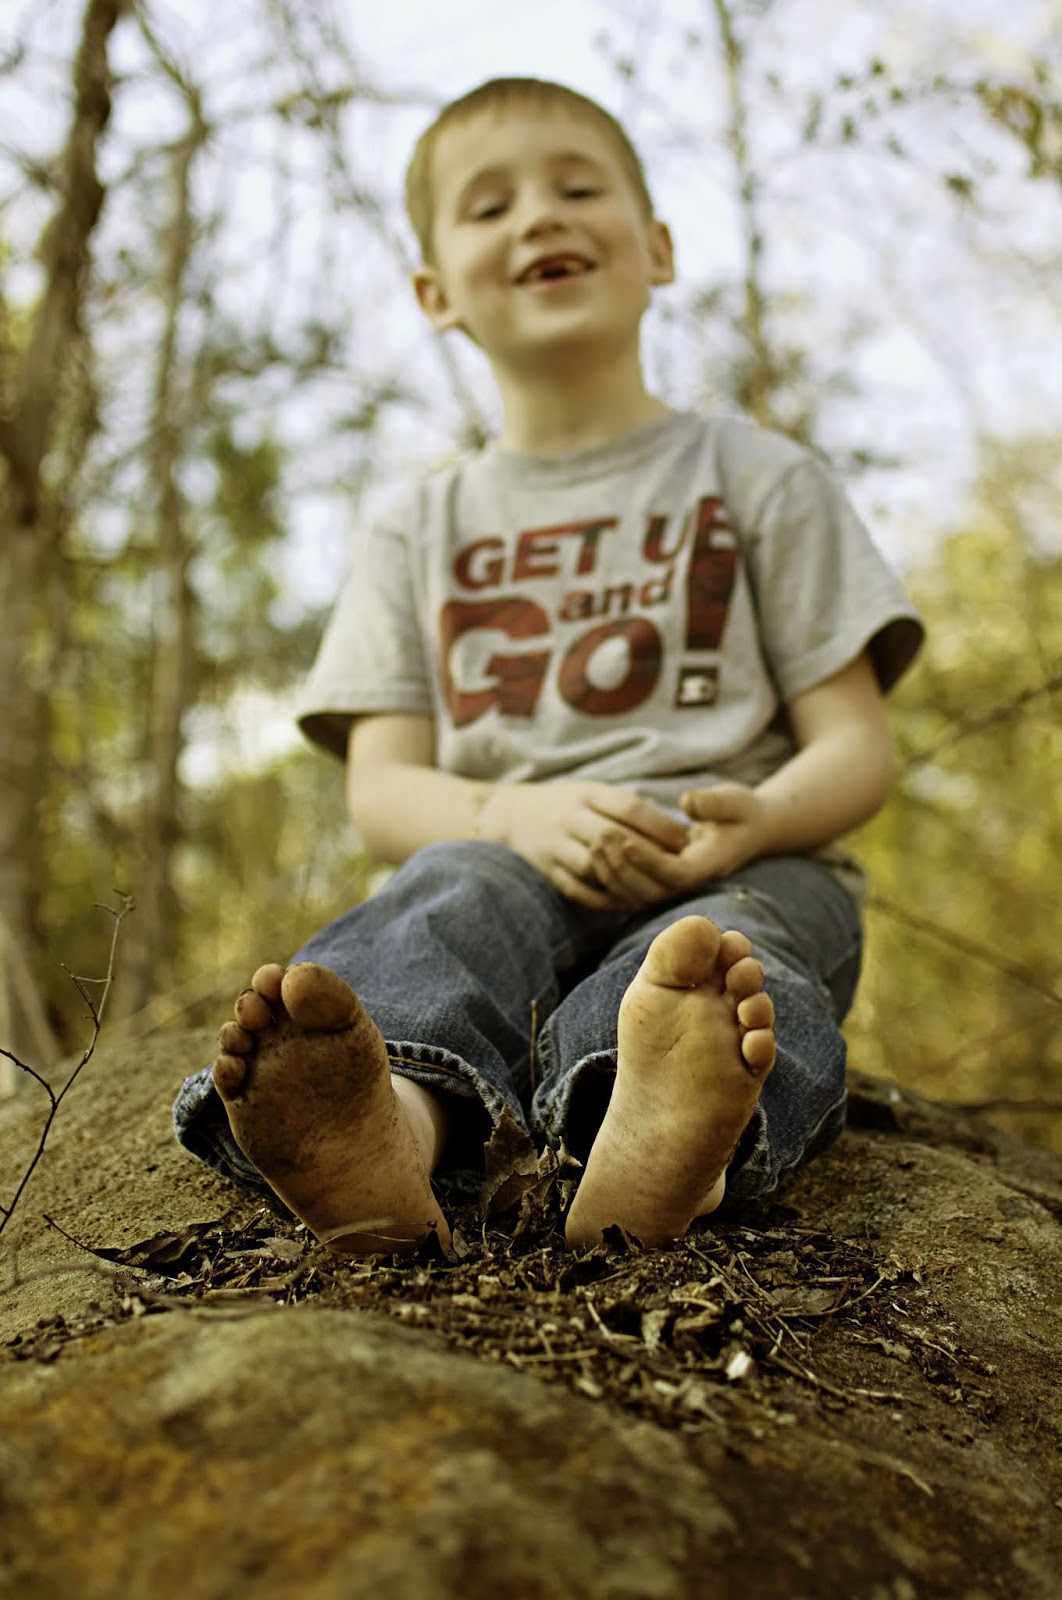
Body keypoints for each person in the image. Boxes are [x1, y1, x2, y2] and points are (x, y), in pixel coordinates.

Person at [173, 77, 923, 1258]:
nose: (539, 218)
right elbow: (384, 788)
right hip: (510, 853)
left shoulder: (759, 477)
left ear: (658, 247)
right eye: (489, 206)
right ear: (434, 292)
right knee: (444, 900)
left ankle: (658, 1135)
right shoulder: (418, 524)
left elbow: (857, 743)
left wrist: (760, 818)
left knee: (732, 957)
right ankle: (387, 1129)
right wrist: (508, 811)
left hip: (730, 861)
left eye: (579, 187)